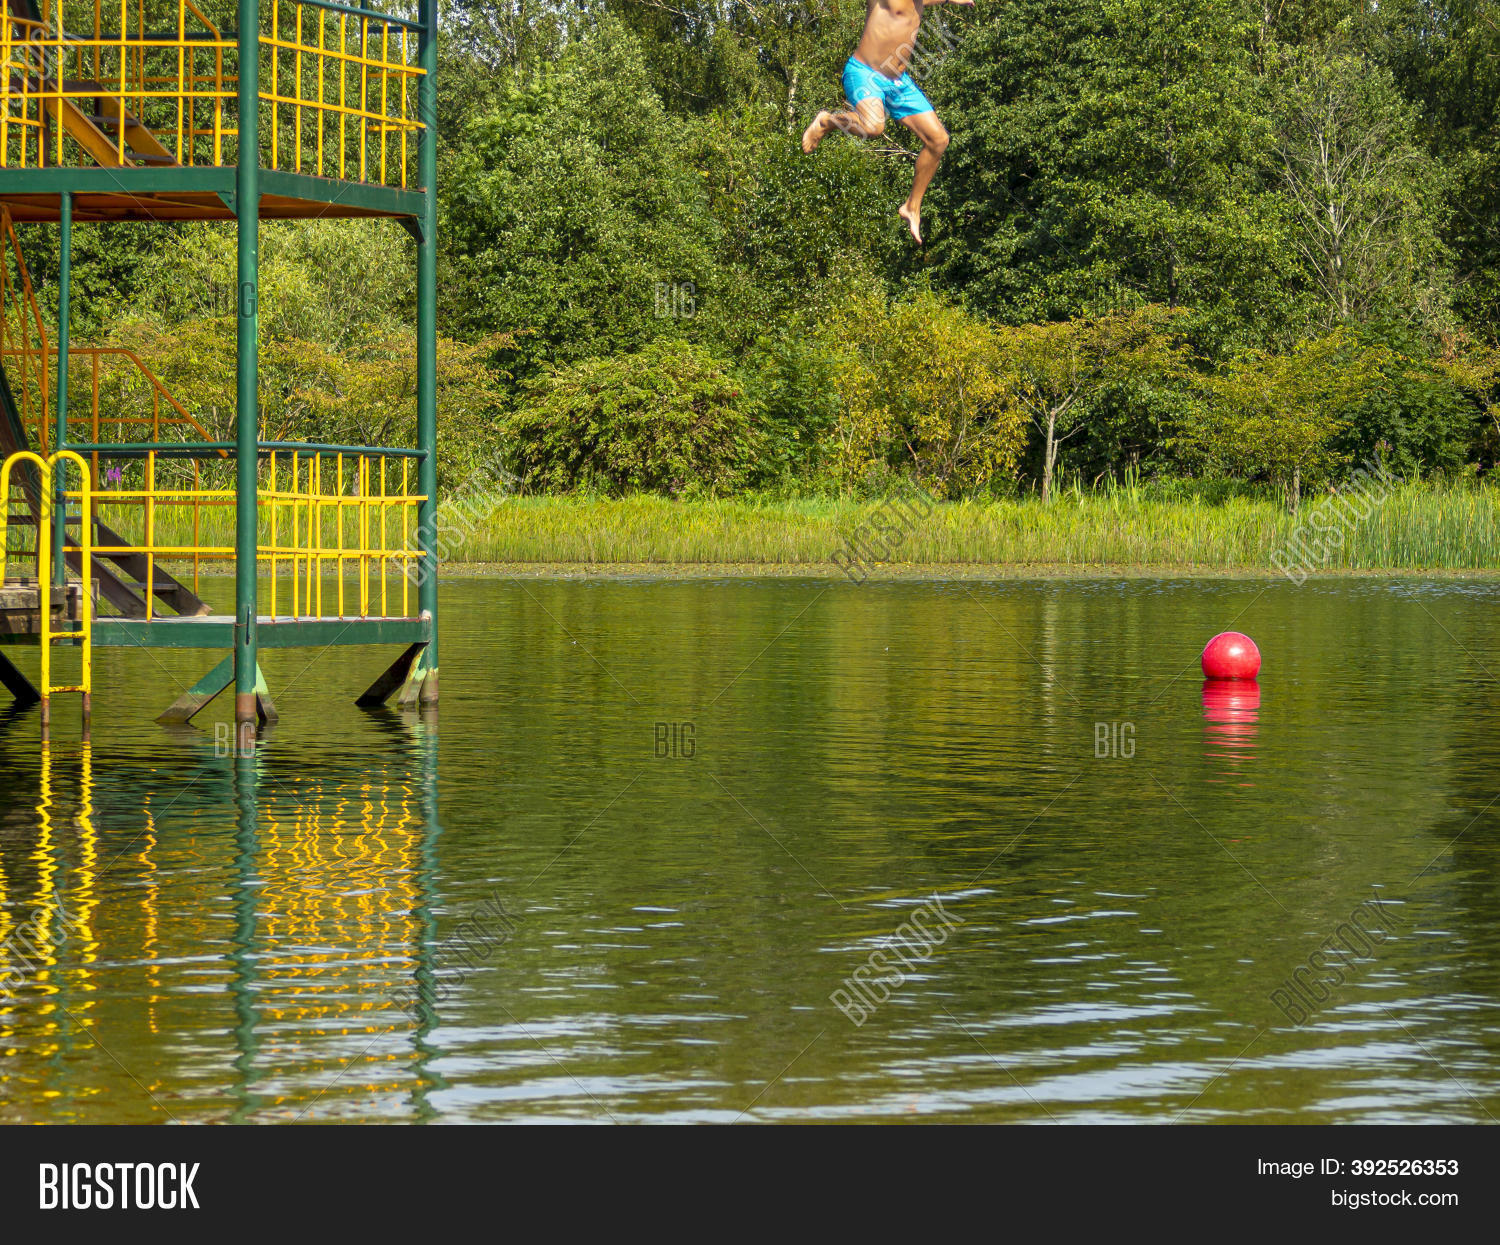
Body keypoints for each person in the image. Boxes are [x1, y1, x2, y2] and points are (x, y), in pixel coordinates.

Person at [801, 0, 974, 244]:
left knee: (938, 140)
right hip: (865, 73)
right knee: (873, 127)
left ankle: (912, 207)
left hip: (898, 82)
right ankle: (827, 122)